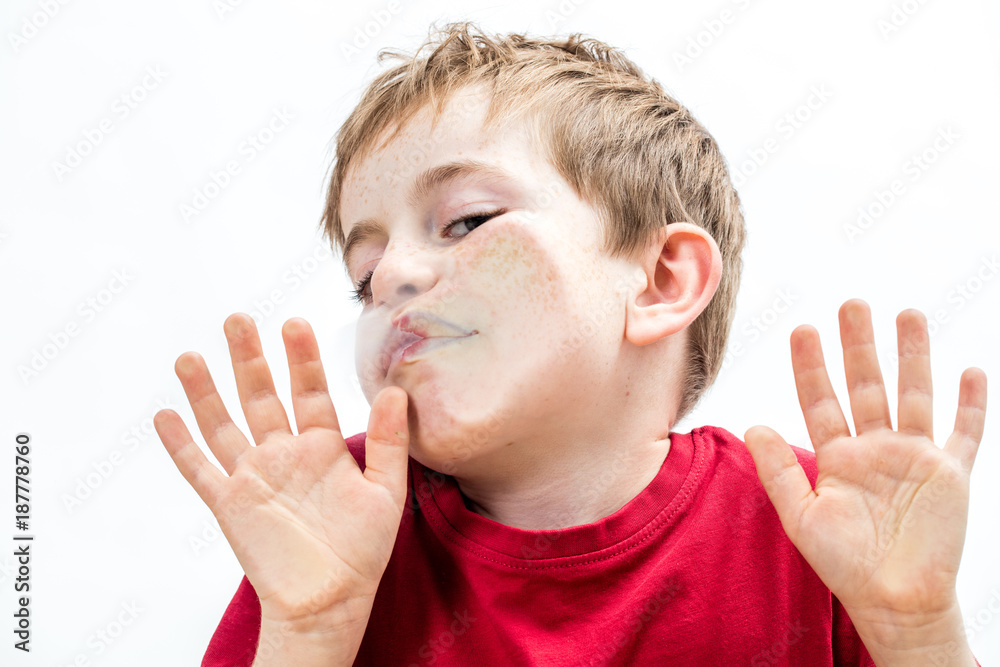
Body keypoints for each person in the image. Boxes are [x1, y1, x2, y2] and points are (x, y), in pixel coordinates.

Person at [153, 21, 987, 666]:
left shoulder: (820, 527)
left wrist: (919, 630)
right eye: (364, 274)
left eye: (468, 221)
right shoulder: (328, 527)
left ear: (661, 281)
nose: (397, 275)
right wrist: (306, 630)